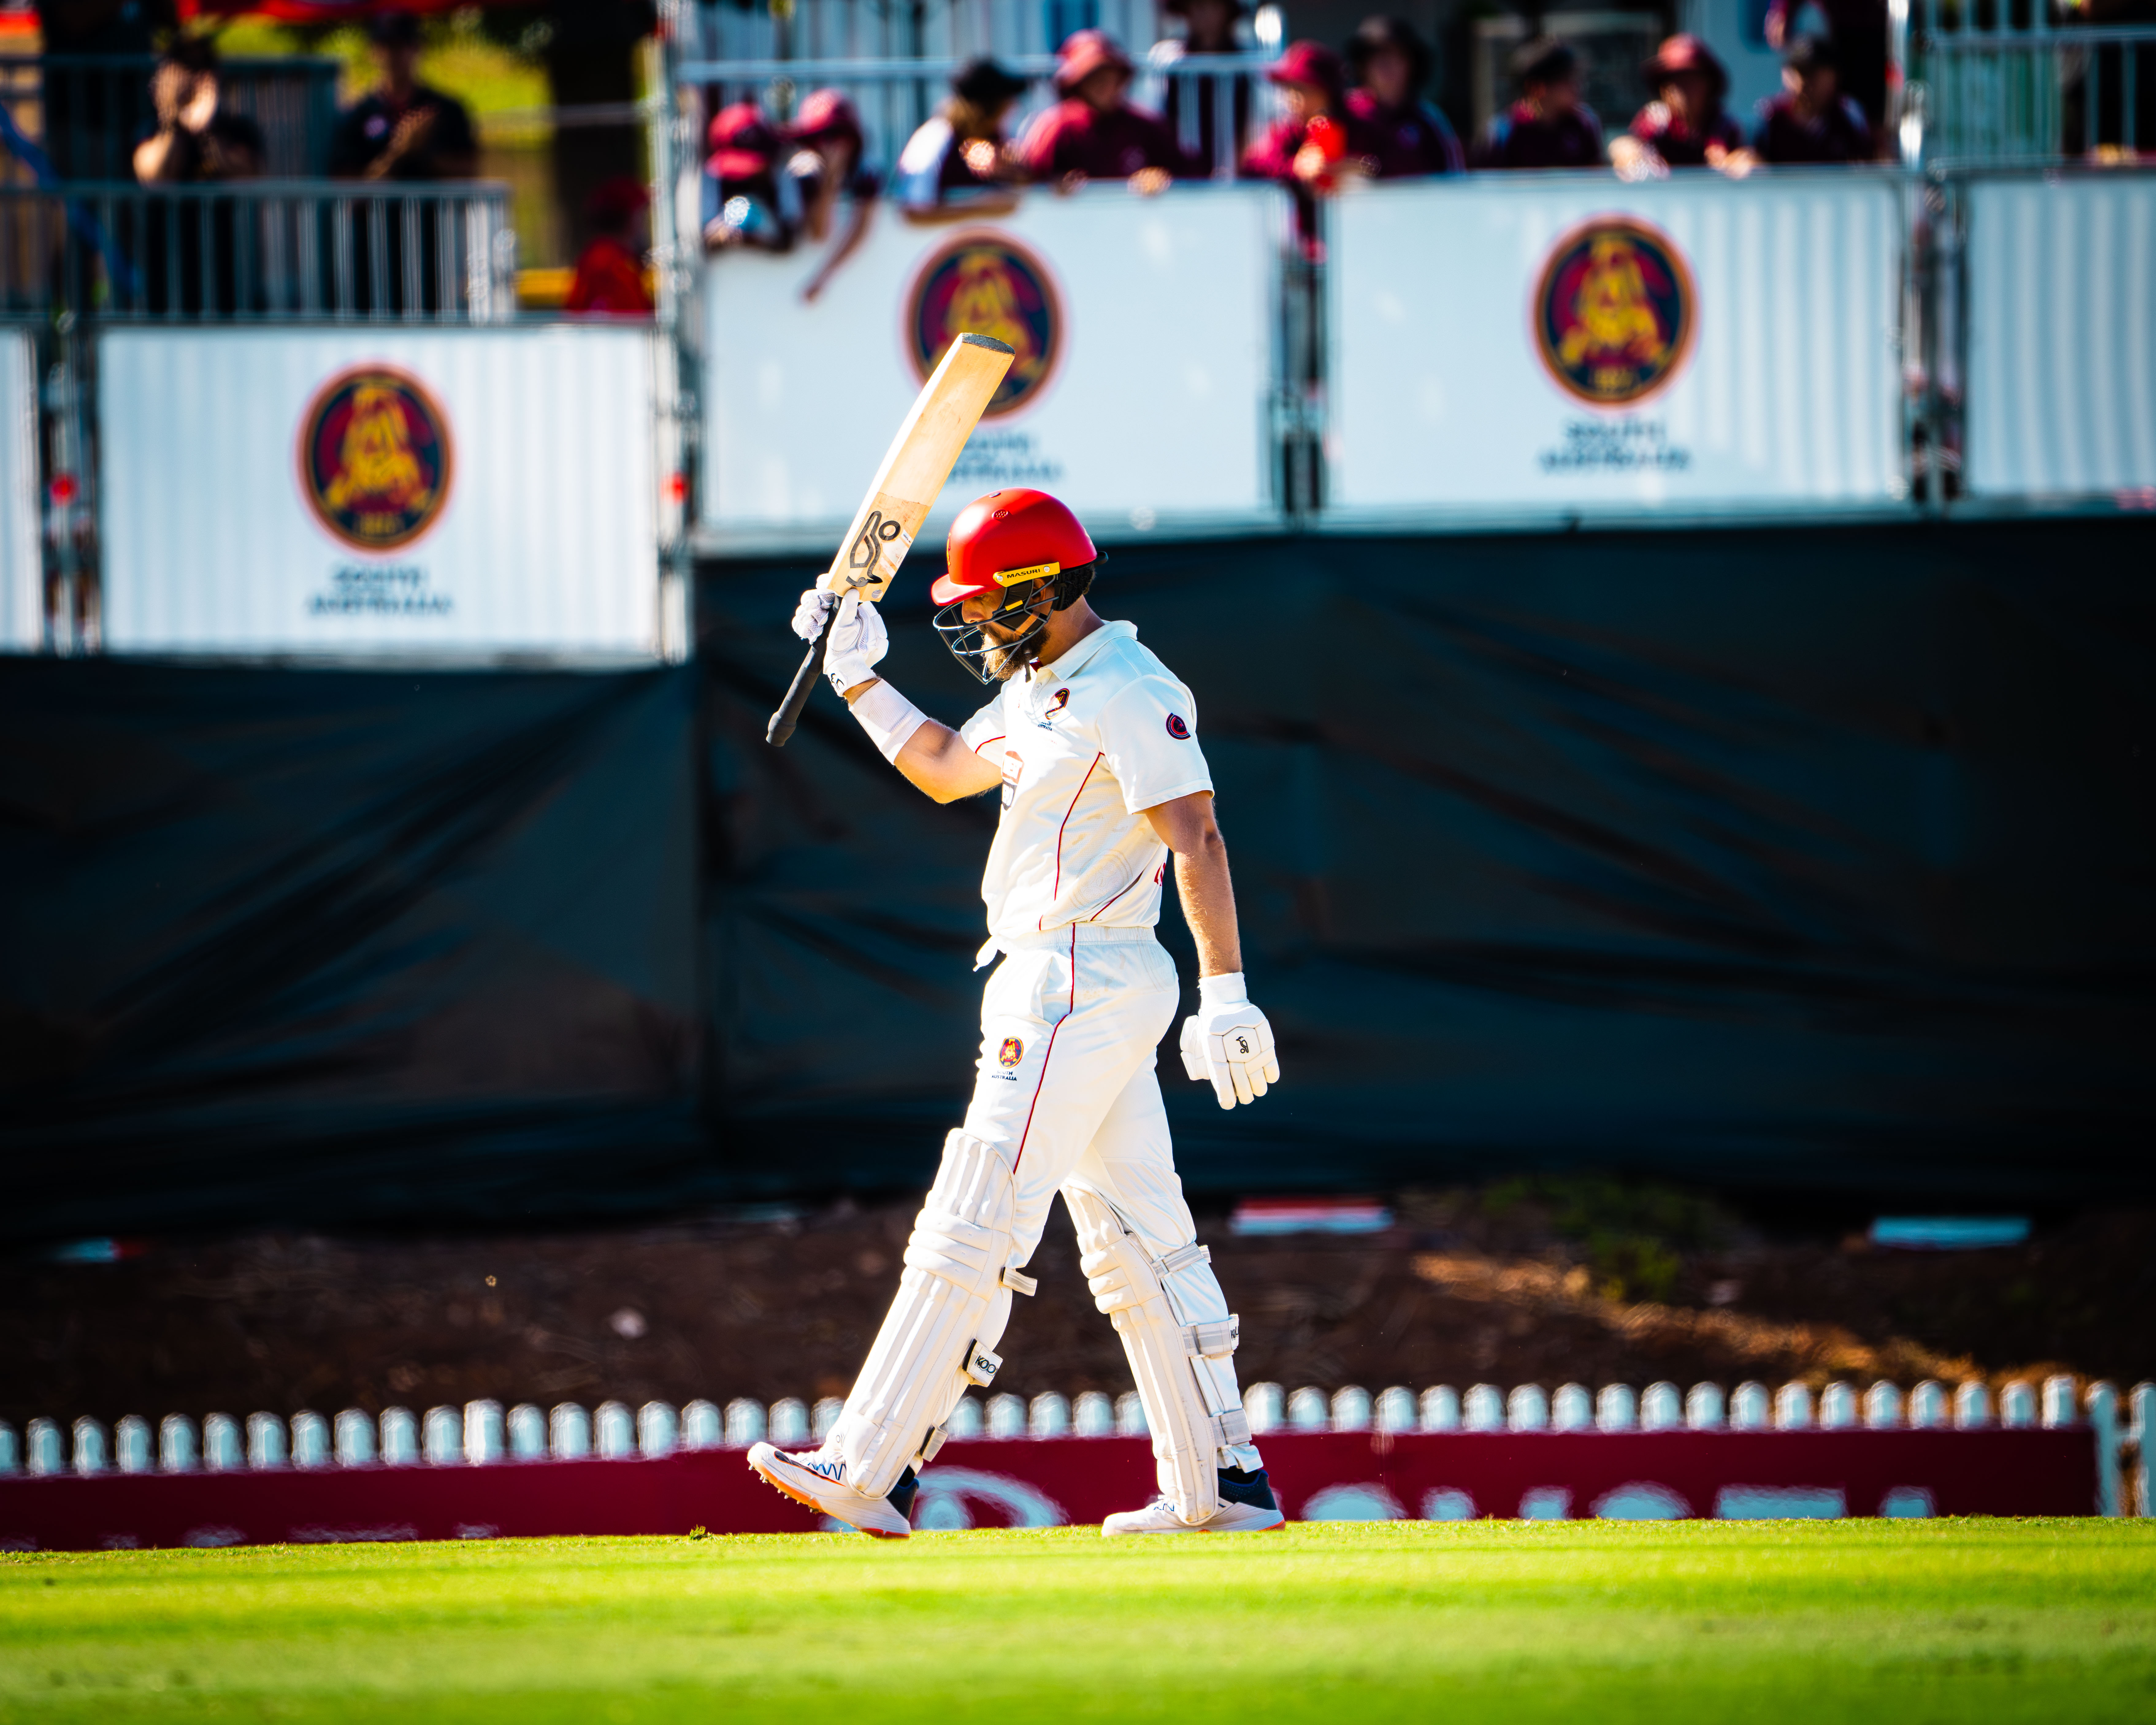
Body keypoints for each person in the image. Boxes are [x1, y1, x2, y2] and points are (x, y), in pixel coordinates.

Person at [748, 487, 1286, 1540]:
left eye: (991, 604)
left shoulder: (1127, 687)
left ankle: (874, 1467)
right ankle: (1223, 1479)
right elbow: (949, 769)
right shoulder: (1046, 688)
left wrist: (1227, 990)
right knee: (1136, 1235)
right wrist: (859, 675)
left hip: (1078, 977)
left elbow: (1197, 833)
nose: (975, 624)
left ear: (1042, 590)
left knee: (978, 1206)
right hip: (1066, 974)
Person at [1017, 29, 1192, 193]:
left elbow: (1185, 176)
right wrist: (1056, 186)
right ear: (1077, 84)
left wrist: (1160, 181)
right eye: (1093, 77)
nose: (1104, 85)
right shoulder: (1057, 127)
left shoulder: (1146, 125)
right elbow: (1030, 181)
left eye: (1109, 75)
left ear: (1121, 78)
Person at [328, 11, 478, 183]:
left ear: (418, 49)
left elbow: (470, 172)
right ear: (373, 51)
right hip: (379, 211)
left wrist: (425, 153)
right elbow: (348, 190)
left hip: (432, 211)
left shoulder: (445, 110)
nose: (394, 55)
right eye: (386, 46)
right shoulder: (358, 115)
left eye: (402, 45)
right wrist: (399, 151)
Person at [892, 57, 1030, 215]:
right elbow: (913, 211)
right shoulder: (936, 138)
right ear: (985, 108)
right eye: (1006, 103)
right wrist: (981, 207)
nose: (1013, 108)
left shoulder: (993, 141)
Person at [1611, 34, 1755, 179]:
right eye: (1674, 81)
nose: (1682, 90)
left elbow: (1746, 161)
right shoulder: (1656, 119)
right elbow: (1623, 146)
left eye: (1691, 80)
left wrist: (1733, 163)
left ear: (1709, 85)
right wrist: (1632, 154)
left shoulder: (1725, 125)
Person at [785, 90, 880, 302]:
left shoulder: (865, 174)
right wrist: (828, 182)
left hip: (857, 298)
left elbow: (860, 228)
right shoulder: (802, 172)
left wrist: (823, 276)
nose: (831, 145)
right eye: (820, 137)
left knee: (968, 338)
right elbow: (818, 234)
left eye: (839, 135)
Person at [132, 36, 265, 184]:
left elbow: (251, 175)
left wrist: (209, 131)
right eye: (187, 67)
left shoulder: (238, 128)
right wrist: (174, 122)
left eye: (204, 67)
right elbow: (154, 178)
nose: (197, 77)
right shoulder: (150, 128)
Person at [1154, 0, 1254, 177]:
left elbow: (1254, 120)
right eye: (1198, 7)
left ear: (1228, 13)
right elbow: (1159, 119)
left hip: (1235, 175)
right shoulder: (1169, 62)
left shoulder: (1247, 64)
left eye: (1215, 6)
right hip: (1182, 178)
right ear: (1186, 13)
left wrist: (1238, 166)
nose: (1206, 15)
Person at [1473, 36, 1604, 169]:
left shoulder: (1583, 125)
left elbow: (1596, 179)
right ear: (1537, 88)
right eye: (1566, 79)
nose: (1576, 86)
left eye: (1577, 78)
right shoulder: (1504, 133)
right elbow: (1487, 185)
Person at [1753, 35, 1875, 163]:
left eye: (1814, 73)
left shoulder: (1849, 113)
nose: (1805, 81)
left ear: (1833, 76)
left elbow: (1869, 165)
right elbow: (1754, 164)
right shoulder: (1771, 117)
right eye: (1800, 72)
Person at [702, 102, 797, 252]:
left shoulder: (781, 178)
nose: (747, 175)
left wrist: (760, 240)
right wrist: (721, 237)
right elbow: (704, 236)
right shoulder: (712, 178)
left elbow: (791, 238)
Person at [563, 175, 652, 314]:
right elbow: (628, 322)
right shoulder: (607, 261)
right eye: (641, 215)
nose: (644, 225)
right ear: (629, 218)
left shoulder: (609, 256)